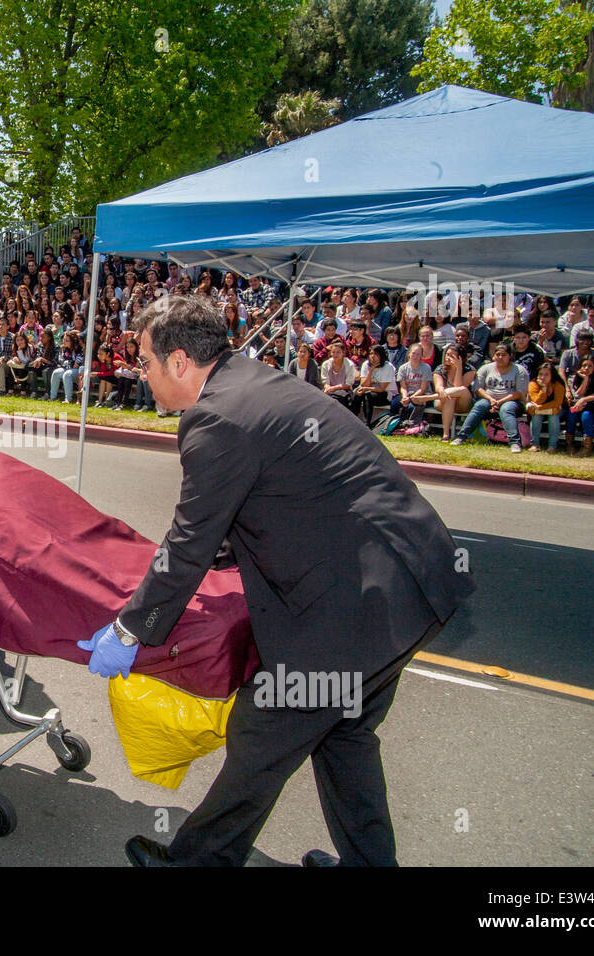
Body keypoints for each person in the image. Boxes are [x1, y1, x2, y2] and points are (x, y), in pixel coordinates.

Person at [74, 295, 473, 868]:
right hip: (413, 583)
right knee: (345, 734)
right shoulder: (254, 382)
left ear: (180, 361)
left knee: (262, 736)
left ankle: (195, 863)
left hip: (356, 608)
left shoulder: (213, 417)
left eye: (145, 361)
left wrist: (131, 628)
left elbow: (189, 542)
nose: (144, 373)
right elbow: (276, 496)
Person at [449, 342, 529, 453]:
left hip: (512, 401)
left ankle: (515, 442)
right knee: (479, 405)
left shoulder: (519, 370)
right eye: (498, 354)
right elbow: (478, 389)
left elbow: (519, 393)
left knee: (506, 409)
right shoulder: (485, 368)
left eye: (504, 355)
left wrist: (500, 401)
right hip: (489, 400)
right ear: (493, 356)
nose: (500, 357)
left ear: (510, 355)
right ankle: (461, 436)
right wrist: (491, 400)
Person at [525, 362, 565, 453]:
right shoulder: (533, 384)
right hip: (539, 409)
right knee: (536, 416)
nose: (543, 377)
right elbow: (536, 401)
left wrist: (540, 407)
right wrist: (543, 389)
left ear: (552, 375)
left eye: (546, 375)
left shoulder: (558, 385)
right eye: (541, 374)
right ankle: (535, 444)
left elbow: (557, 402)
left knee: (553, 417)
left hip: (555, 408)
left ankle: (552, 446)